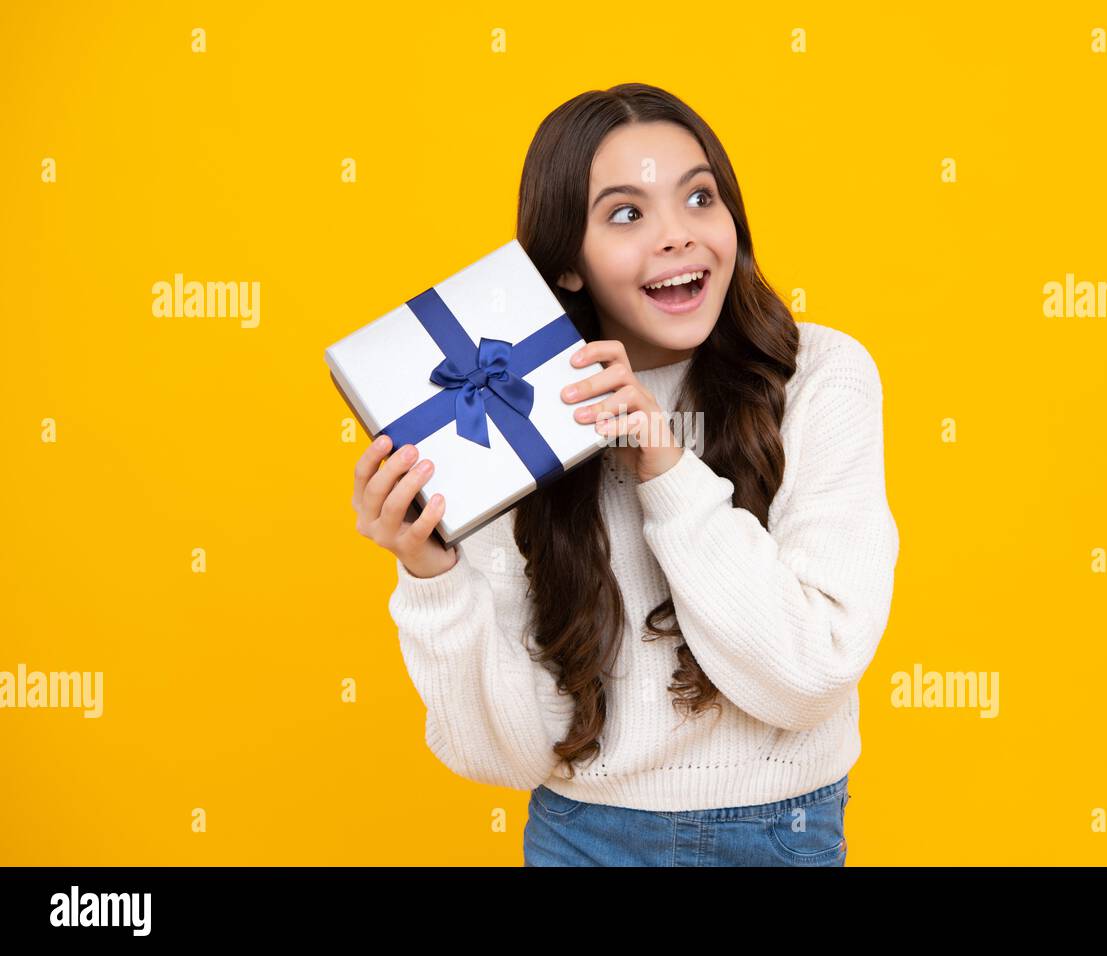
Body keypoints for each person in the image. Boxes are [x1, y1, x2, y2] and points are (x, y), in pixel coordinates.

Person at [351, 82, 900, 866]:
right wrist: (432, 575)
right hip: (583, 840)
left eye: (700, 197)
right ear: (567, 266)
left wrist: (664, 465)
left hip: (783, 839)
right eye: (627, 213)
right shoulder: (511, 414)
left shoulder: (822, 376)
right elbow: (509, 757)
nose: (677, 236)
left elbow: (810, 674)